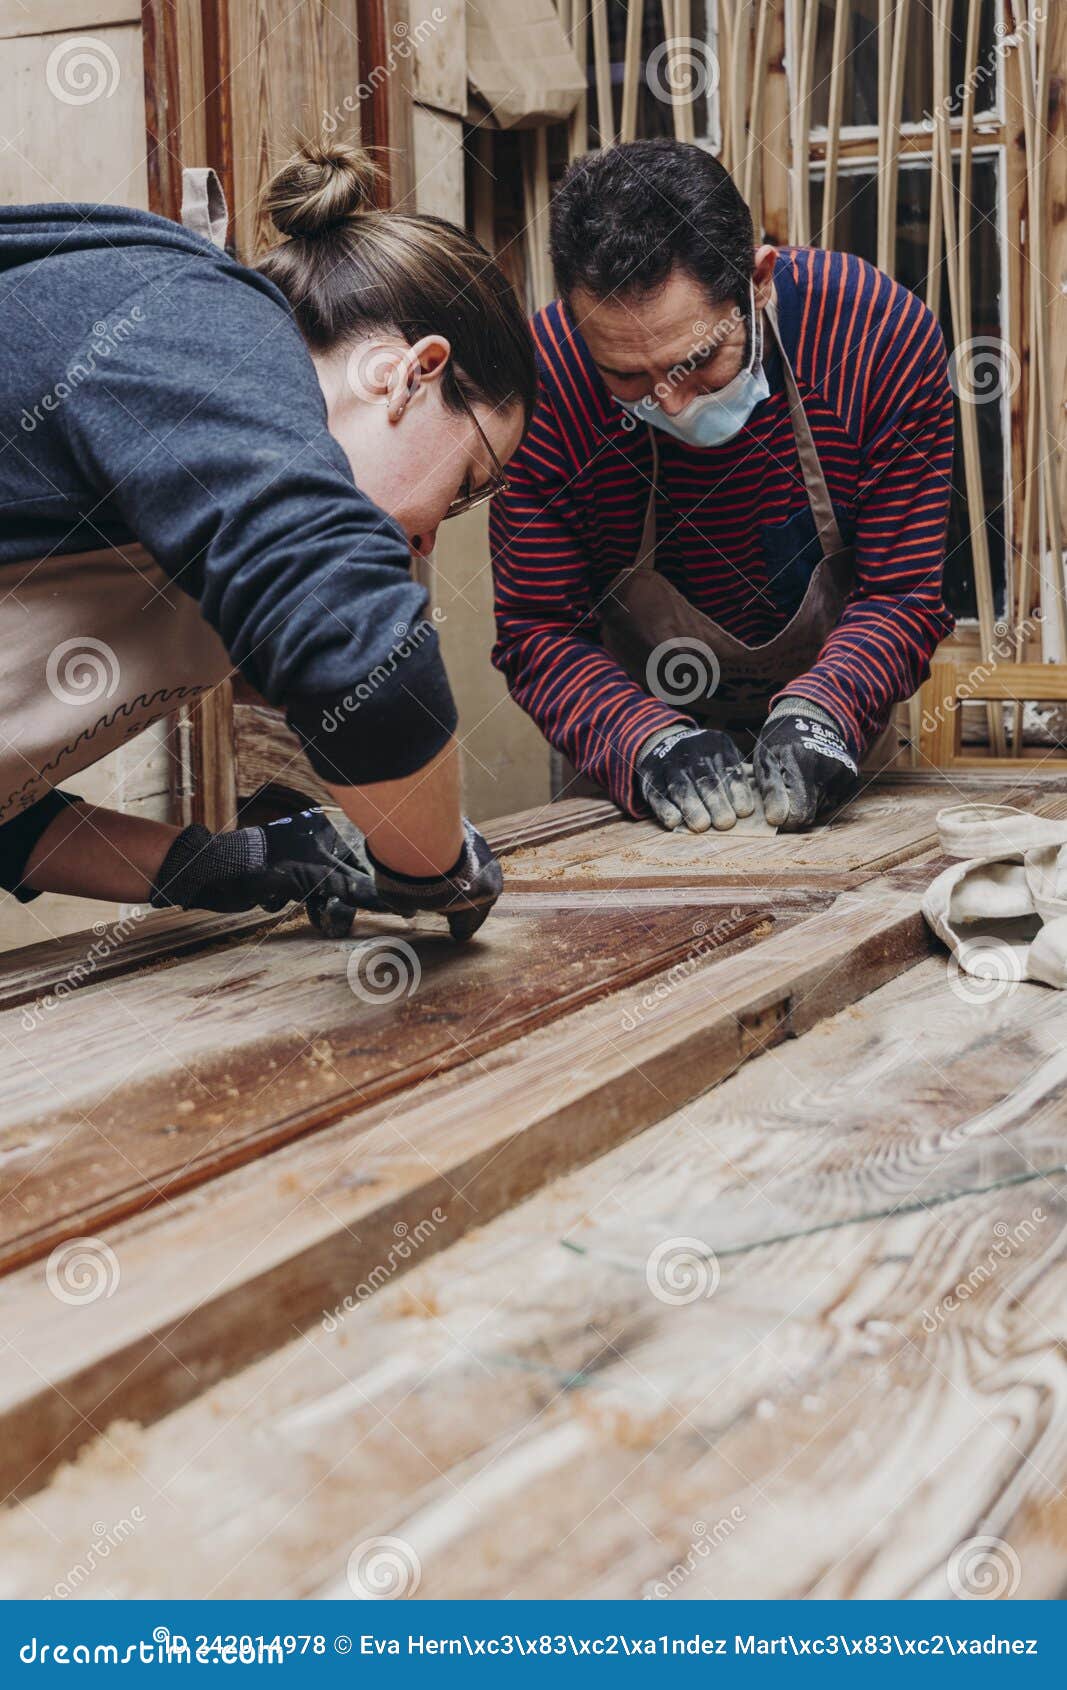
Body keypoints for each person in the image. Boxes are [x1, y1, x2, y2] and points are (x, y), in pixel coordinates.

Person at [0, 141, 536, 938]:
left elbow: (10, 830)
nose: (426, 541)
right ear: (407, 374)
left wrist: (222, 864)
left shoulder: (196, 482)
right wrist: (433, 870)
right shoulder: (190, 317)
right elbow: (366, 659)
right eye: (464, 486)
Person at [490, 139, 955, 833]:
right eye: (625, 375)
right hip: (637, 781)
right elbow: (539, 628)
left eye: (698, 359)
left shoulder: (871, 334)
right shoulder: (545, 382)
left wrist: (824, 710)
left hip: (836, 738)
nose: (669, 402)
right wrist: (641, 741)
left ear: (758, 279)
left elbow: (902, 593)